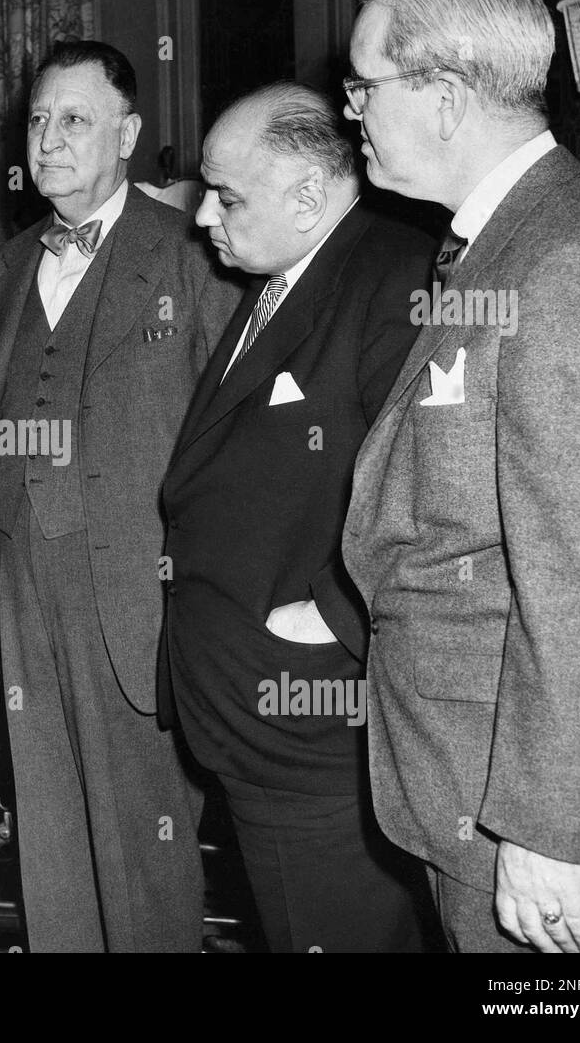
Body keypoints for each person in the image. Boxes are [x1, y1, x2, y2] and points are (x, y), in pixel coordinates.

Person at [342, 0, 580, 952]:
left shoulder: (558, 264)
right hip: (472, 779)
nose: (350, 109)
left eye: (363, 86)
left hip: (530, 826)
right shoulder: (507, 242)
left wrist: (547, 826)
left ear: (441, 98)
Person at [0, 40, 240, 952]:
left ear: (126, 133)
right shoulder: (5, 266)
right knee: (46, 832)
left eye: (74, 120)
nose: (48, 140)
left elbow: (233, 441)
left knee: (143, 847)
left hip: (134, 592)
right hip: (21, 589)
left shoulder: (193, 255)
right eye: (38, 120)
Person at [158, 82, 436, 952]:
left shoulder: (393, 277)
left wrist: (337, 614)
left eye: (227, 196)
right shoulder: (287, 276)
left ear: (308, 196)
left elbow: (438, 483)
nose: (204, 215)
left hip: (313, 735)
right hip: (257, 724)